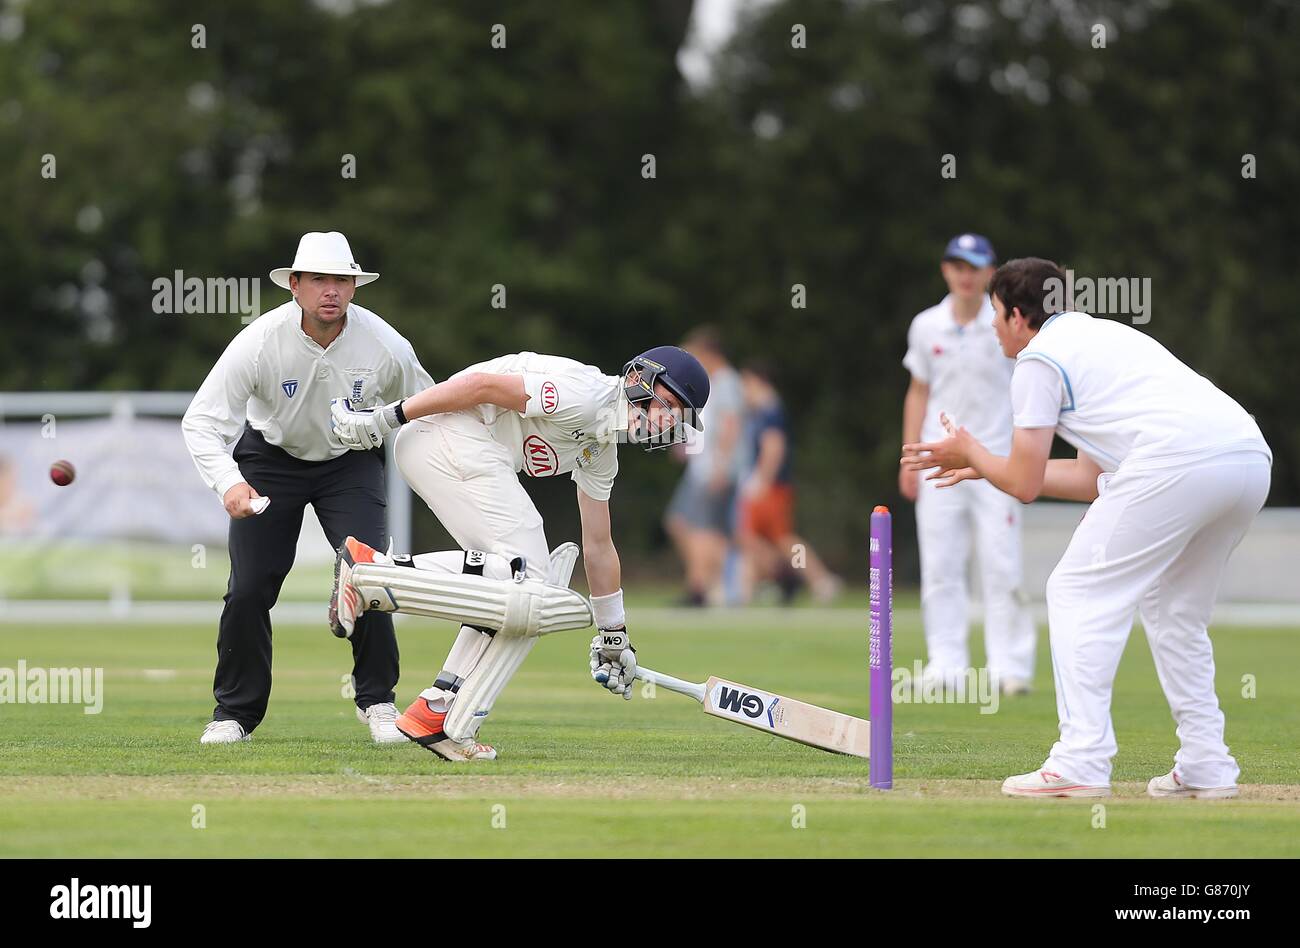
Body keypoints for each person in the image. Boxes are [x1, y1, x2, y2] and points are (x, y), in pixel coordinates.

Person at [902, 257, 1271, 799]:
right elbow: (1085, 474)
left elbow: (1023, 483)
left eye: (998, 314)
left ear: (1020, 316)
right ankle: (1207, 766)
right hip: (1246, 458)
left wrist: (975, 451)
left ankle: (1080, 760)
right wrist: (983, 462)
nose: (993, 325)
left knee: (1074, 590)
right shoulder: (1097, 336)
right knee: (1175, 612)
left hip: (1176, 463)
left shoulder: (1037, 360)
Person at [327, 345, 709, 761]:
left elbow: (598, 544)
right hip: (442, 434)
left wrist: (613, 634)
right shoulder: (586, 395)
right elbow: (479, 386)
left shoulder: (601, 450)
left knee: (518, 585)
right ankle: (372, 568)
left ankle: (435, 710)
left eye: (677, 415)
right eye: (667, 404)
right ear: (640, 378)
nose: (666, 420)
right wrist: (387, 417)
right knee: (526, 571)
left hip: (460, 449)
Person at [182, 231, 433, 745]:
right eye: (318, 279)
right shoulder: (258, 342)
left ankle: (379, 704)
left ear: (355, 287)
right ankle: (234, 715)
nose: (330, 291)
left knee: (368, 573)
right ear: (294, 285)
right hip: (270, 459)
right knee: (250, 587)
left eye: (341, 279)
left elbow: (428, 406)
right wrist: (229, 482)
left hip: (350, 462)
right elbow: (201, 422)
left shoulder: (386, 345)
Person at [901, 234, 1036, 695]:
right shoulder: (926, 325)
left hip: (995, 461)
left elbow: (1028, 394)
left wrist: (1023, 457)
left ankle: (1009, 666)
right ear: (945, 270)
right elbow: (918, 390)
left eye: (974, 266)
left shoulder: (1007, 323)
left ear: (989, 274)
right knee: (940, 564)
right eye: (957, 265)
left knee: (1001, 563)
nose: (965, 274)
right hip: (938, 459)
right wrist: (909, 456)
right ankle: (946, 664)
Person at [736, 362, 841, 604]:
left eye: (746, 384)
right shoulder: (763, 411)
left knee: (783, 540)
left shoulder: (770, 410)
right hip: (767, 485)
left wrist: (761, 480)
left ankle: (816, 578)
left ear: (757, 381)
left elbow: (774, 447)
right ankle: (773, 581)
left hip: (770, 486)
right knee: (760, 539)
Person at [664, 327, 745, 606]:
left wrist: (721, 465)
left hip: (713, 469)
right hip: (702, 467)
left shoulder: (726, 381)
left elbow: (731, 425)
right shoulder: (714, 382)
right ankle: (713, 584)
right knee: (685, 523)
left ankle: (700, 588)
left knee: (701, 528)